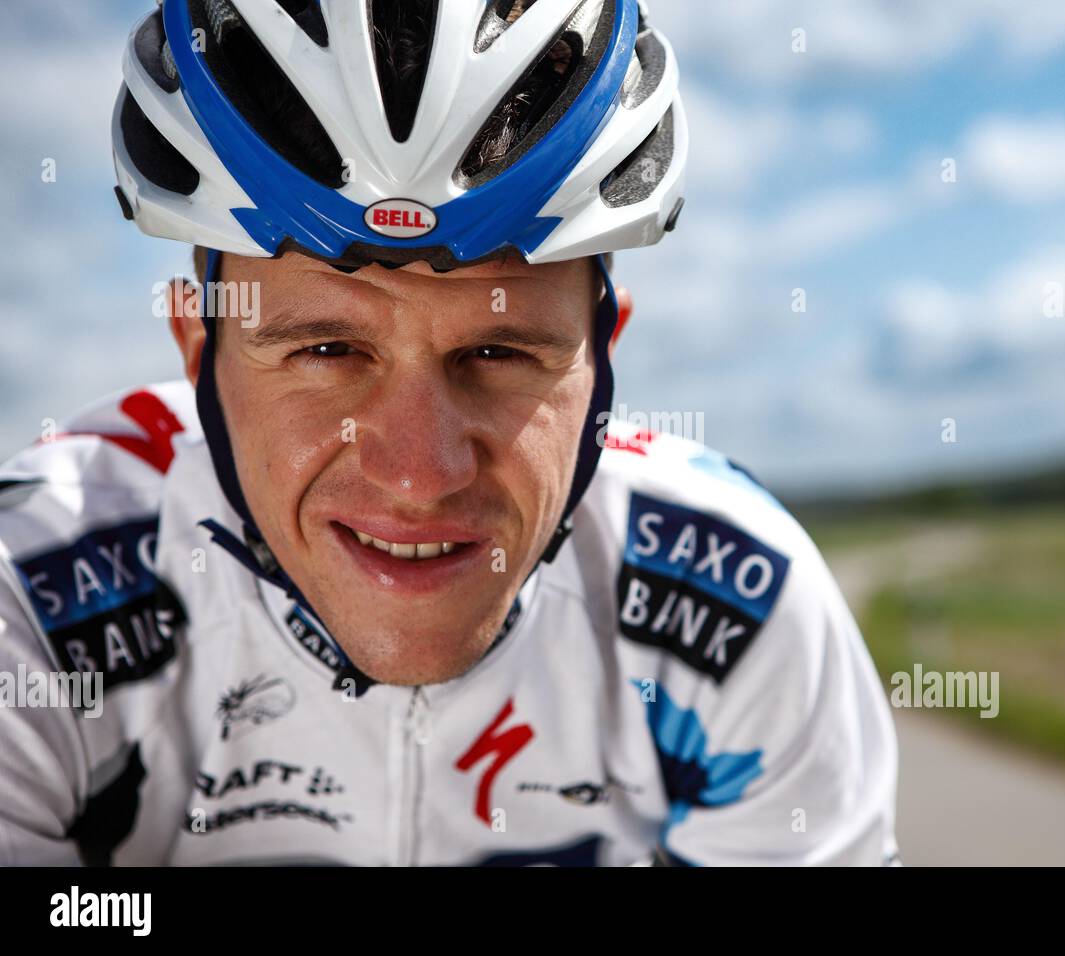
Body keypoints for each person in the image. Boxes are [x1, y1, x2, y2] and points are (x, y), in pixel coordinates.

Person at [0, 0, 898, 866]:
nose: (419, 475)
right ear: (198, 349)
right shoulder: (36, 606)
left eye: (501, 351)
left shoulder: (729, 605)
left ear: (599, 359)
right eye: (325, 349)